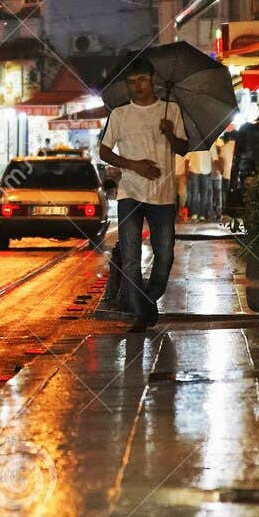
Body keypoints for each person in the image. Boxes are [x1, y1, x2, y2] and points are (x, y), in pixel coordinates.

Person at [98, 57, 189, 332]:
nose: (137, 86)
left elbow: (183, 148)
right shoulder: (120, 114)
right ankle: (139, 313)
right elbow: (104, 151)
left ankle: (146, 300)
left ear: (153, 80)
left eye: (142, 80)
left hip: (162, 196)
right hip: (130, 194)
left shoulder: (171, 110)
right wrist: (133, 165)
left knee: (165, 256)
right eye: (132, 82)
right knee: (130, 256)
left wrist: (170, 135)